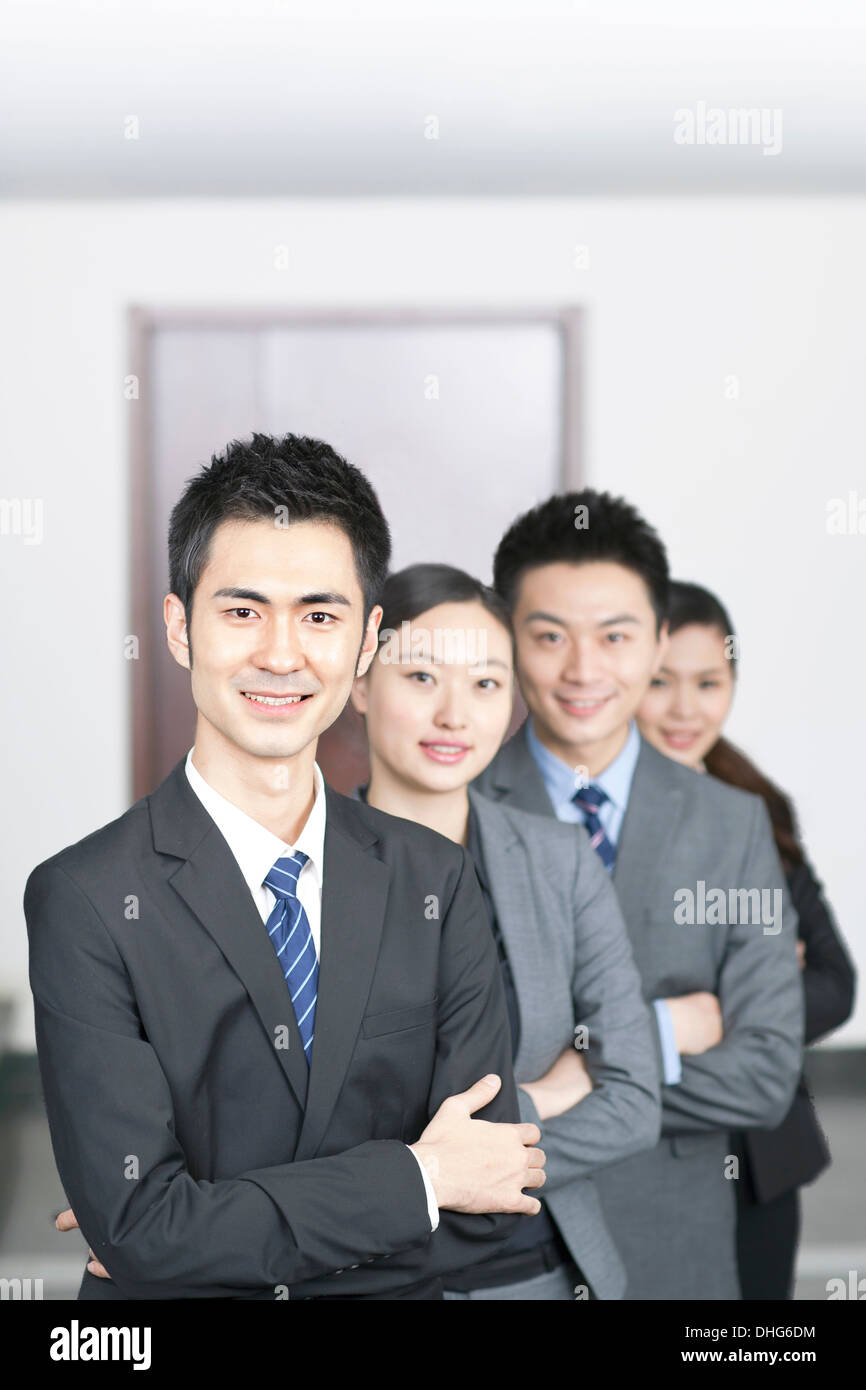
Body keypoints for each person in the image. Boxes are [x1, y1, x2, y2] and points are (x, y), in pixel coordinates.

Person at [25, 432, 546, 1301]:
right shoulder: (84, 897)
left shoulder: (434, 882)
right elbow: (143, 1232)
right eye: (241, 611)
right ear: (178, 626)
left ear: (367, 638)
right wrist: (419, 1178)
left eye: (320, 614)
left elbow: (487, 1201)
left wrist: (202, 1222)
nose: (280, 653)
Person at [473, 488, 804, 1301]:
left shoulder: (731, 826)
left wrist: (589, 1069)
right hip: (502, 1255)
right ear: (507, 641)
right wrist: (663, 1033)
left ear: (658, 639)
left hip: (673, 1250)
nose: (584, 670)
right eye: (549, 636)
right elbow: (428, 1085)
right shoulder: (452, 807)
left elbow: (764, 1075)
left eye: (615, 636)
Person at [348, 562, 660, 1300]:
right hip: (364, 1277)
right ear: (360, 683)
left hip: (541, 1274)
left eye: (486, 684)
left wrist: (443, 1154)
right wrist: (539, 1098)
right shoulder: (295, 869)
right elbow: (286, 1133)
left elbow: (635, 1100)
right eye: (421, 677)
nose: (456, 715)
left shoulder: (557, 861)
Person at [636, 579, 856, 1300]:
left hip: (761, 1158)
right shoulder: (585, 816)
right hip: (641, 1143)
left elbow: (833, 981)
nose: (685, 707)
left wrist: (718, 1008)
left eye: (709, 681)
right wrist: (763, 978)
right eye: (660, 681)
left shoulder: (756, 806)